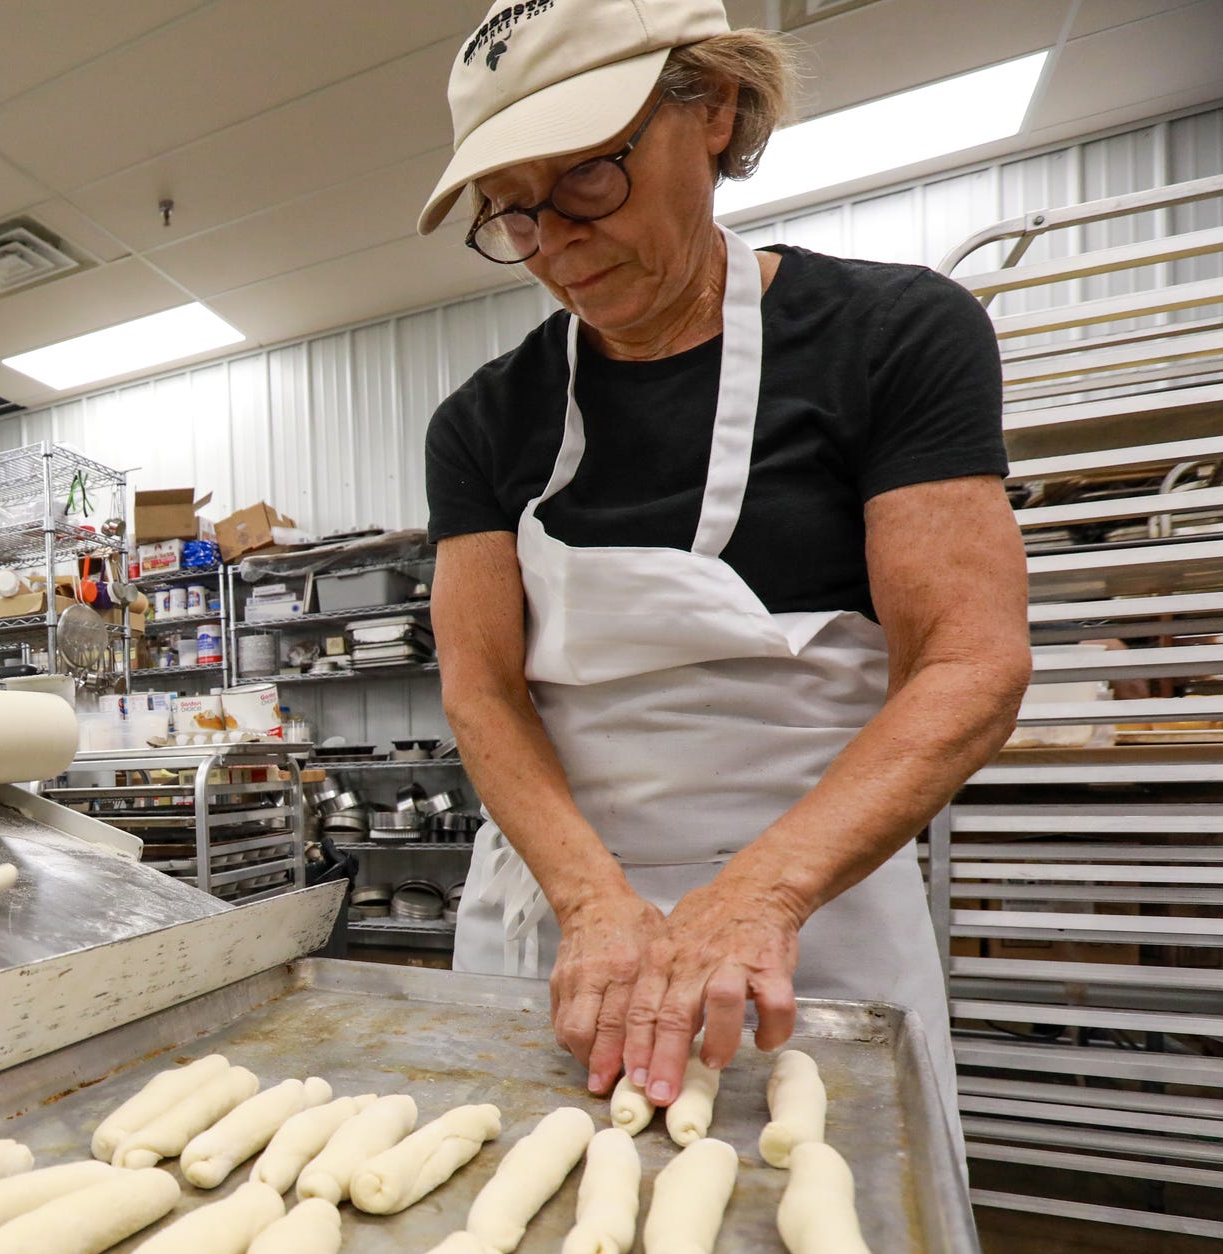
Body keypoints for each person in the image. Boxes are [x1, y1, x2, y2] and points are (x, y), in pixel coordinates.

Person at [417, 0, 1031, 1124]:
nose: (554, 243)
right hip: (560, 920)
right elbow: (484, 689)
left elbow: (969, 661)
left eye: (589, 179)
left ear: (715, 109)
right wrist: (595, 903)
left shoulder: (896, 335)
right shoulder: (483, 424)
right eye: (510, 213)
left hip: (812, 924)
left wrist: (758, 893)